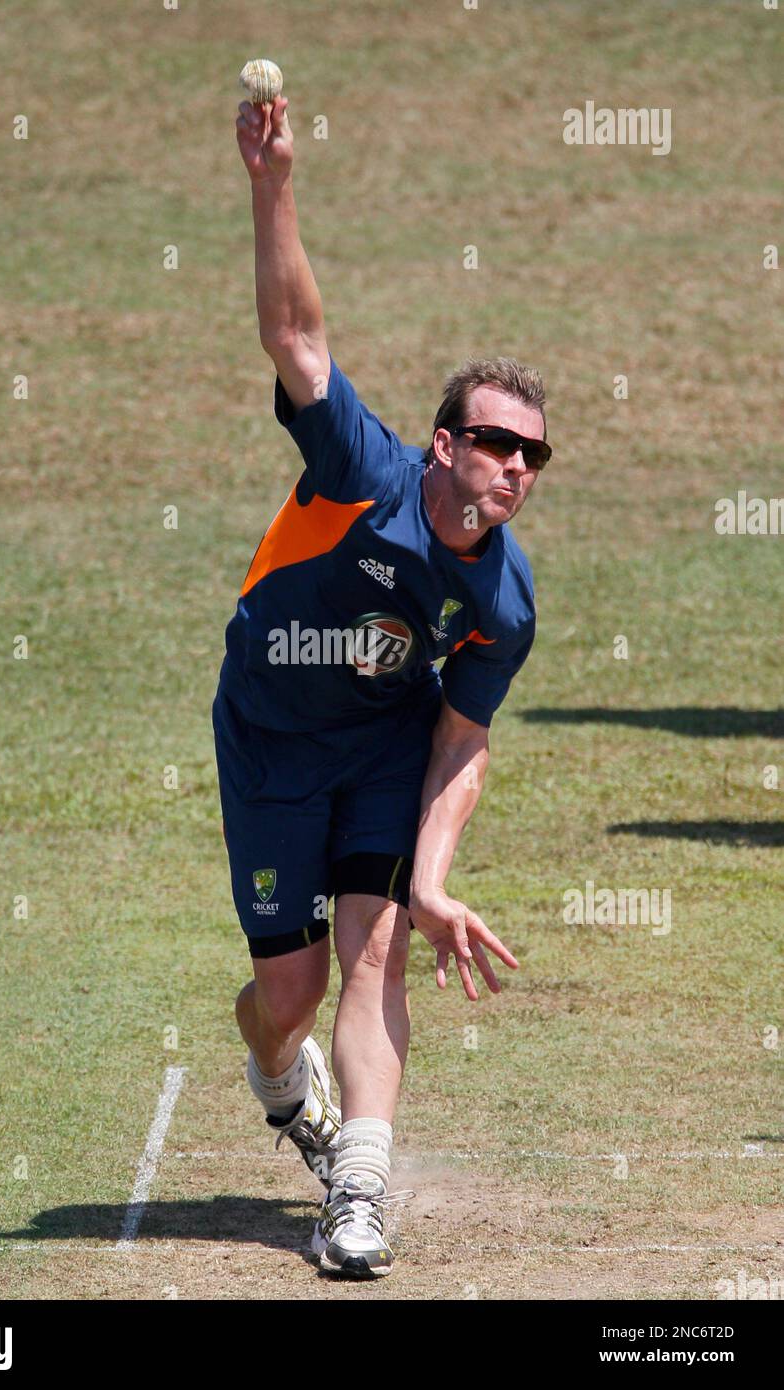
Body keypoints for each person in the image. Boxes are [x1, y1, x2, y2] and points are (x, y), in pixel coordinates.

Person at [212, 93, 551, 1279]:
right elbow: (298, 340)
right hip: (265, 733)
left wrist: (436, 879)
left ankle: (356, 1192)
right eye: (492, 440)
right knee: (286, 992)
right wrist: (272, 181)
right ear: (442, 443)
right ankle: (267, 1066)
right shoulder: (363, 470)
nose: (510, 465)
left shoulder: (500, 602)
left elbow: (462, 736)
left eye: (530, 454)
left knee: (372, 951)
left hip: (378, 751)